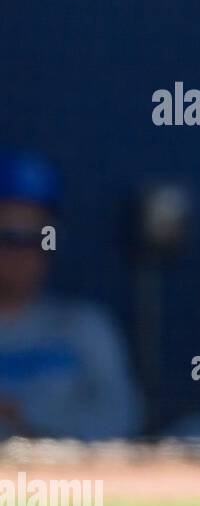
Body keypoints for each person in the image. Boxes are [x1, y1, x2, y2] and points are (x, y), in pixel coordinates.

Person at [0, 150, 141, 440]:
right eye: (8, 238)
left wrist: (25, 417)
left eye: (37, 238)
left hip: (70, 482)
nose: (21, 254)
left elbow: (123, 418)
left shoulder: (85, 326)